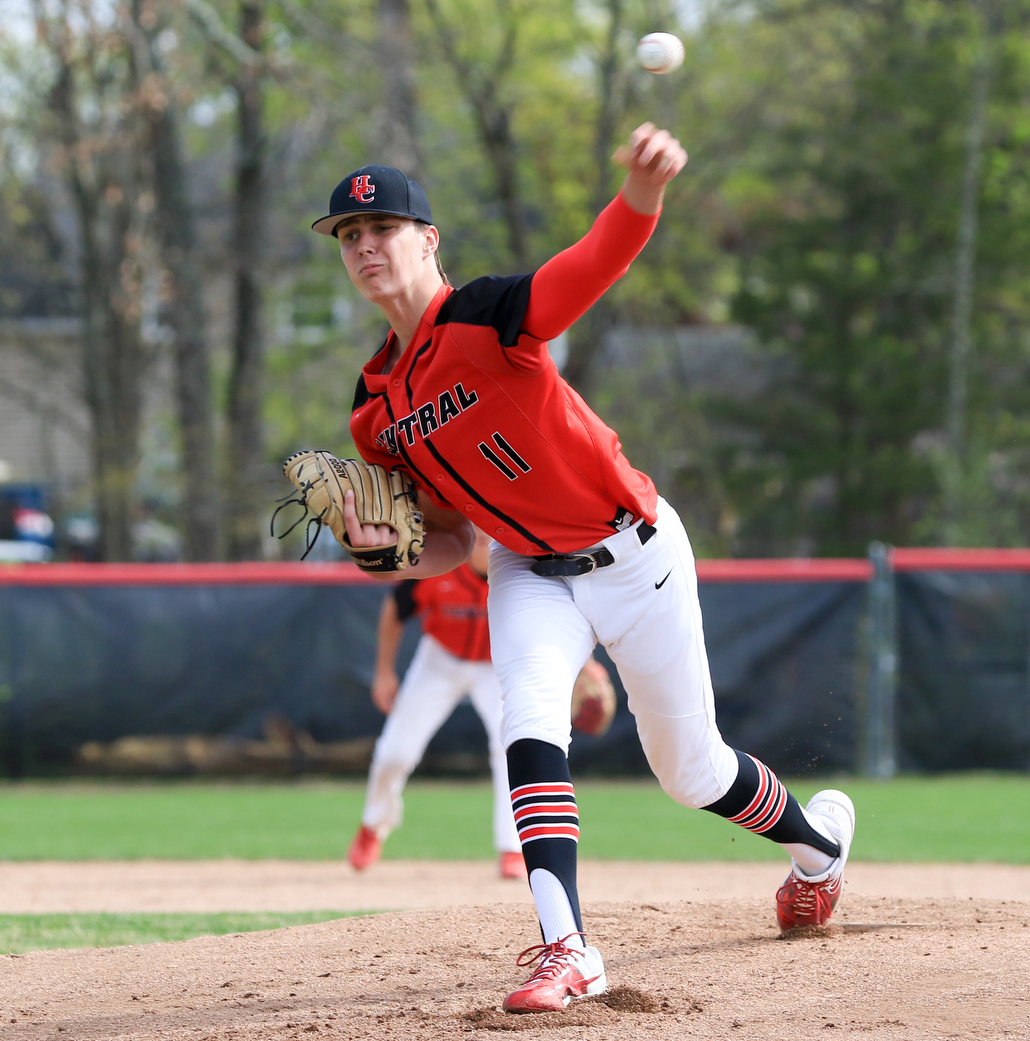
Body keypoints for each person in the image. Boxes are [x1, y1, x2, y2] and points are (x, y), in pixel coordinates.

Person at [311, 122, 856, 1014]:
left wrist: (642, 192)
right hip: (527, 571)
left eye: (383, 229)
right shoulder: (375, 411)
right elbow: (450, 539)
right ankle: (567, 947)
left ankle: (820, 848)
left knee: (692, 772)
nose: (365, 246)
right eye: (349, 236)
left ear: (427, 240)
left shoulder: (486, 314)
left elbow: (591, 264)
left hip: (634, 551)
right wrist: (388, 555)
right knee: (527, 723)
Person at [349, 526, 525, 880]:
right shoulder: (441, 567)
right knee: (395, 752)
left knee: (512, 750)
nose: (486, 544)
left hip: (497, 666)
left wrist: (588, 667)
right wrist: (384, 672)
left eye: (493, 539)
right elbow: (395, 610)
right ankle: (373, 825)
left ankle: (513, 849)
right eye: (480, 537)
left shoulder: (519, 576)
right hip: (439, 660)